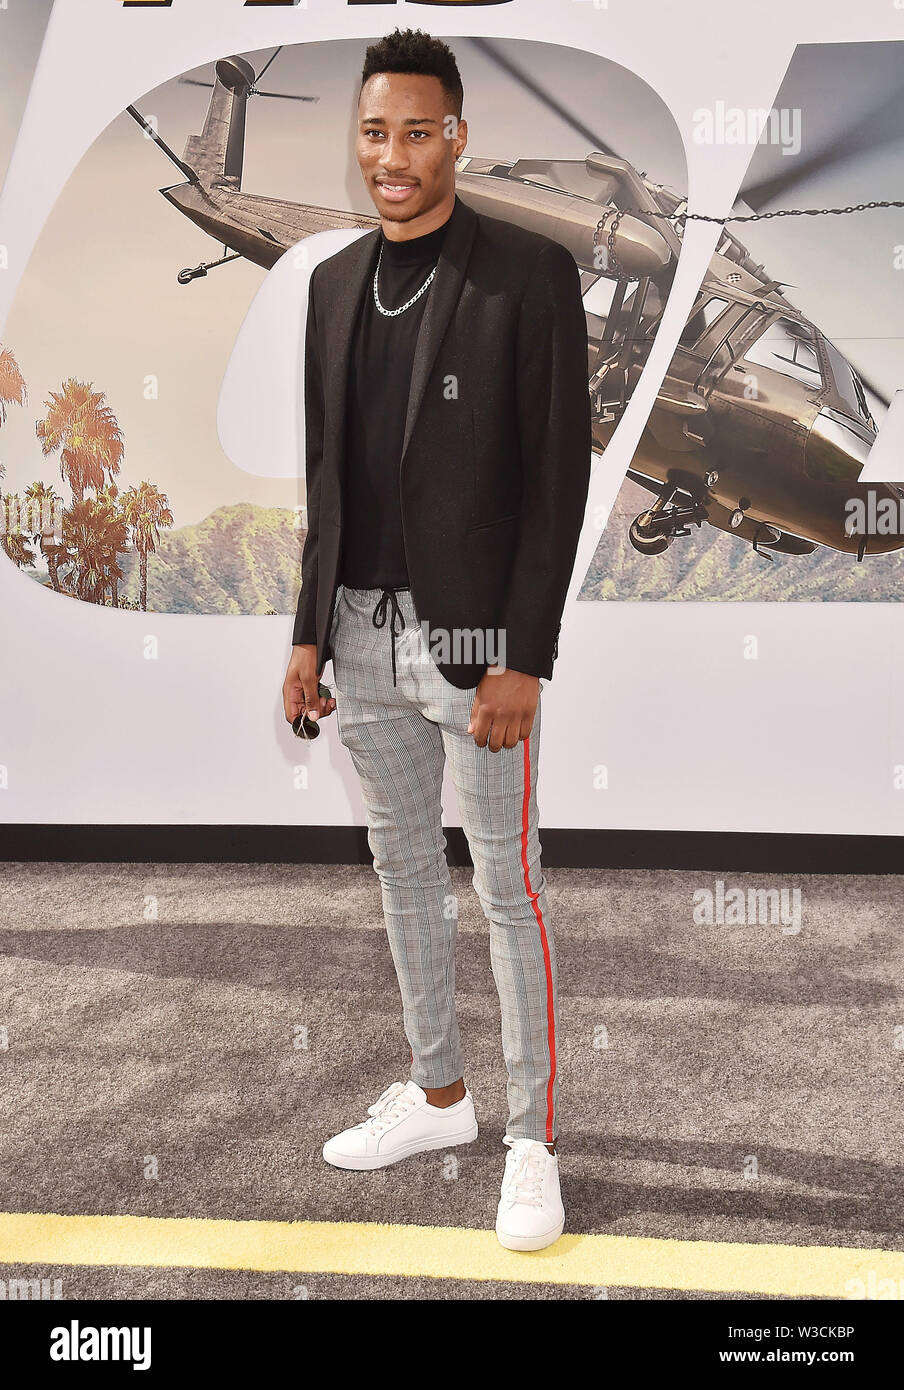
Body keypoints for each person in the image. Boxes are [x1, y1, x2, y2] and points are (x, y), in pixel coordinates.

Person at [282, 27, 591, 1251]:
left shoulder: (527, 274)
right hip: (357, 634)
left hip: (474, 648)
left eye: (418, 131)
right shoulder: (331, 283)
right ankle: (440, 1096)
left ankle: (531, 1141)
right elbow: (328, 482)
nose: (392, 156)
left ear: (457, 135)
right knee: (403, 873)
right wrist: (309, 634)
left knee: (506, 890)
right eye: (374, 133)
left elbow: (554, 481)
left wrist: (523, 654)